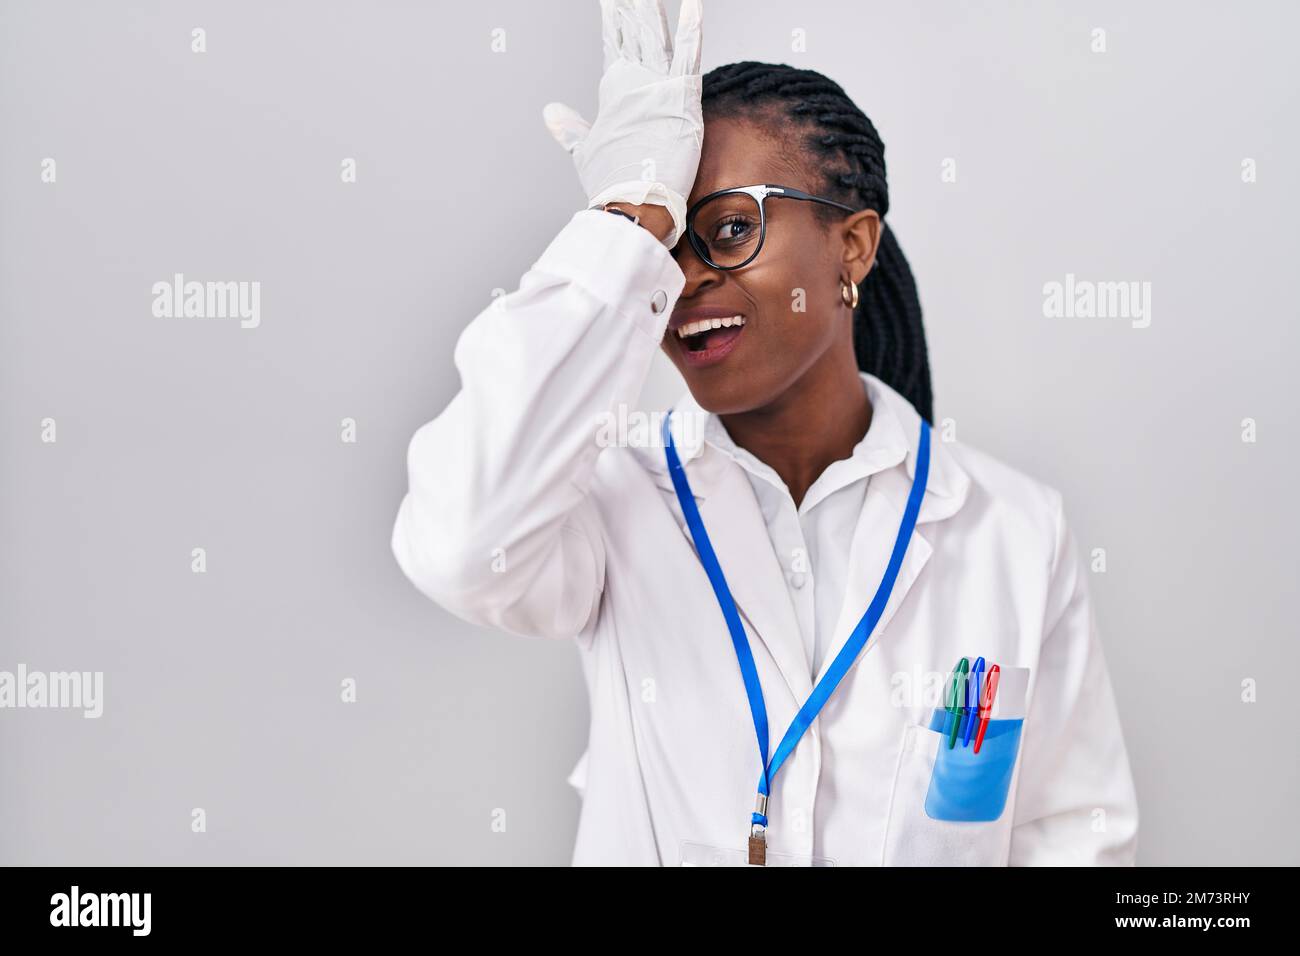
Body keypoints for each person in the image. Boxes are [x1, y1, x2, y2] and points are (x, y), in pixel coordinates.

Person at [390, 0, 1138, 866]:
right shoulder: (609, 502)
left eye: (731, 229)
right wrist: (626, 222)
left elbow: (1074, 837)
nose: (688, 282)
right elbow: (458, 545)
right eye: (668, 250)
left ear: (852, 247)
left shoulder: (1012, 529)